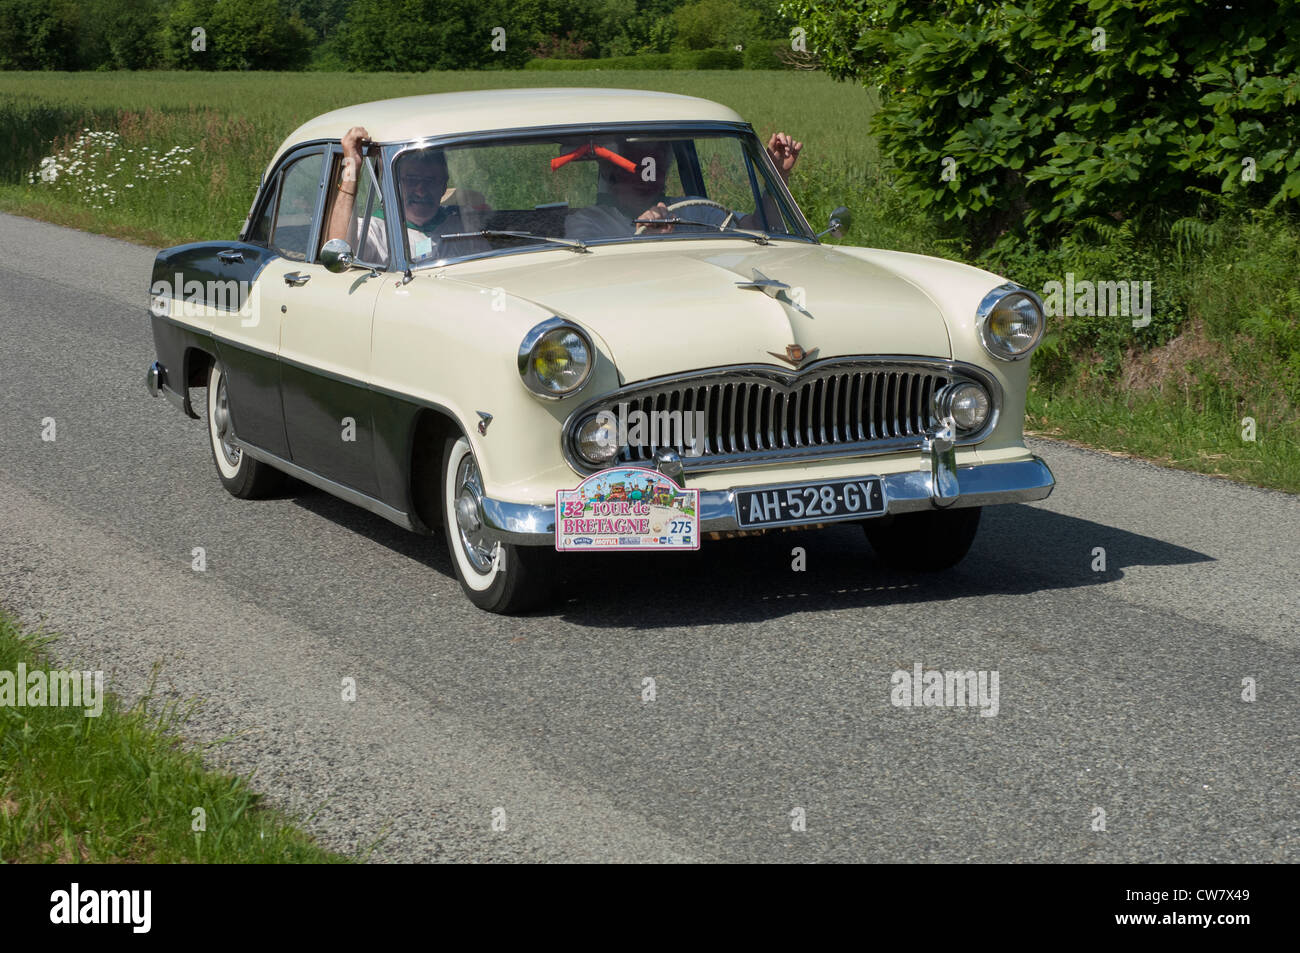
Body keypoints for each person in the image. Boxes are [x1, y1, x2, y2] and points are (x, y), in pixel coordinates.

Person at [565, 132, 803, 241]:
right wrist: (641, 236)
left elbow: (760, 231)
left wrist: (777, 177)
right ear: (612, 171)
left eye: (656, 163)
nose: (646, 174)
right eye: (636, 163)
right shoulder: (588, 221)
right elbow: (589, 276)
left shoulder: (693, 210)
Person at [325, 125, 488, 264]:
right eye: (411, 180)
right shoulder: (376, 230)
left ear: (443, 186)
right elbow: (339, 251)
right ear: (398, 183)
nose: (420, 190)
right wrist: (352, 166)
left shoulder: (461, 228)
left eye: (430, 181)